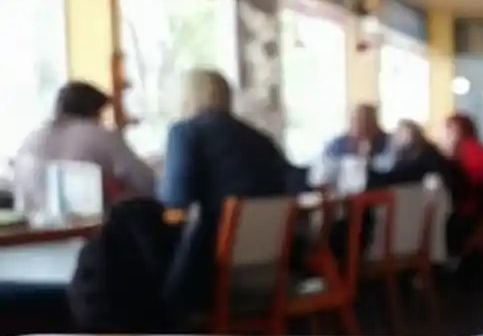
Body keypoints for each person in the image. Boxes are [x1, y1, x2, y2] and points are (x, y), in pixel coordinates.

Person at [160, 70, 303, 312]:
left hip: (215, 271)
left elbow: (176, 201)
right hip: (274, 268)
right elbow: (293, 185)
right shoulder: (261, 139)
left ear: (187, 97)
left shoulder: (185, 132)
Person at [12, 81, 155, 212]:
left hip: (28, 235)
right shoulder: (100, 135)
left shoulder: (31, 139)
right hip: (88, 233)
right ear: (94, 110)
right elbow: (146, 182)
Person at [443, 113, 483, 218]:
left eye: (449, 130)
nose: (445, 136)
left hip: (466, 207)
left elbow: (464, 183)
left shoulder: (466, 150)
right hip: (479, 204)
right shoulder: (479, 148)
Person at [324, 103, 389, 160]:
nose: (363, 126)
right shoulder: (339, 144)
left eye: (367, 121)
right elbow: (328, 162)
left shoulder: (387, 142)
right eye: (358, 120)